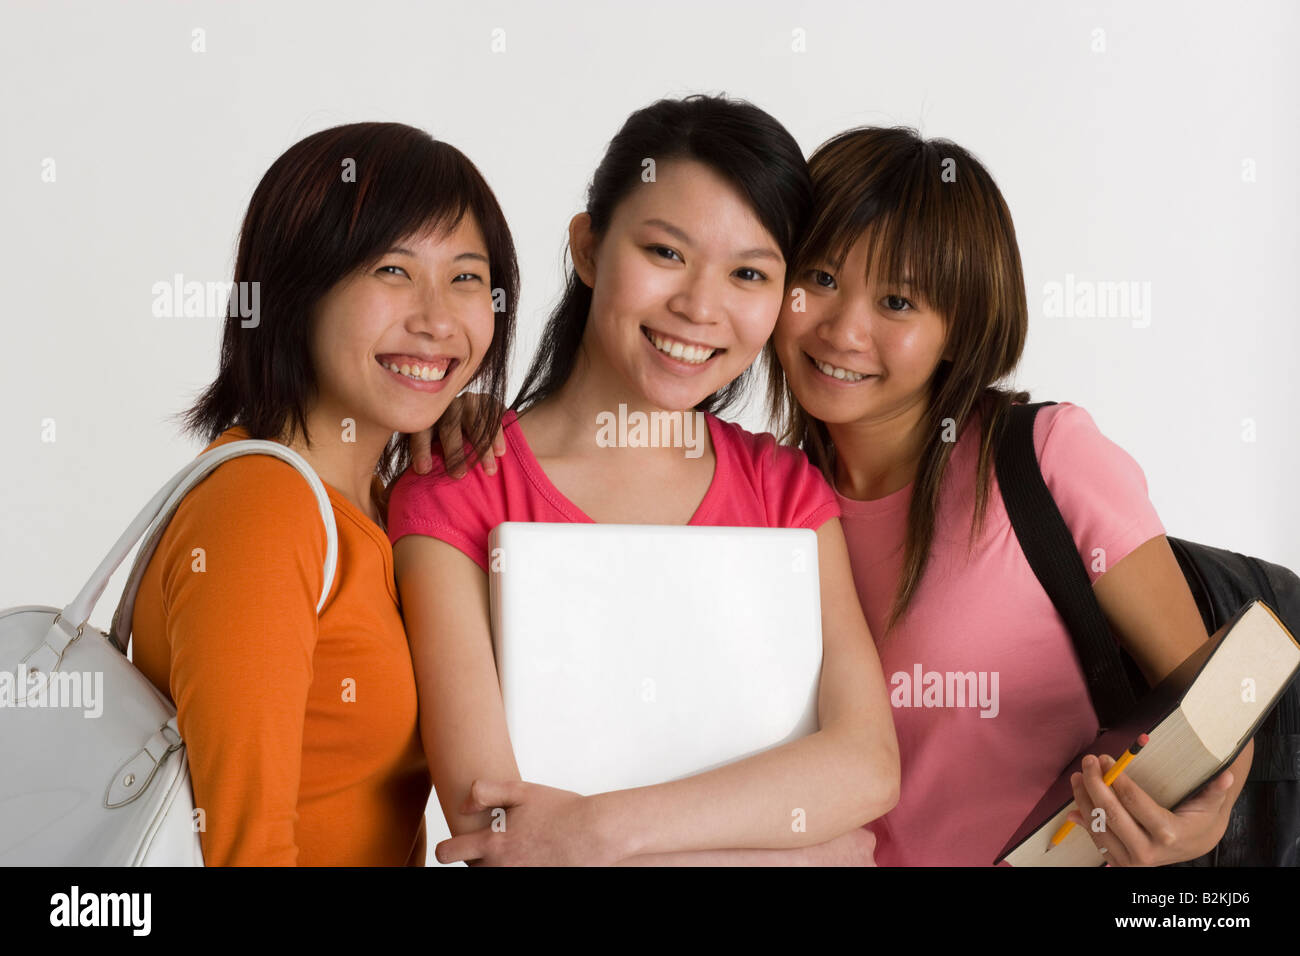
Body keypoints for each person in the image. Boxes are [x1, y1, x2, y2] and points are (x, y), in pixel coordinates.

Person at [391, 95, 898, 866]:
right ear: (590, 250)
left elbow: (865, 766)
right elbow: (495, 829)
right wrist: (799, 856)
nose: (700, 306)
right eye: (665, 253)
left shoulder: (784, 491)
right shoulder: (456, 487)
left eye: (749, 273)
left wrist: (596, 833)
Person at [765, 125, 1253, 866]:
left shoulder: (1044, 457)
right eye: (822, 279)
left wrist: (1204, 823)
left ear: (957, 329)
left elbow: (1214, 693)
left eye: (897, 301)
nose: (843, 330)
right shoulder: (768, 500)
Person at [131, 122, 519, 865]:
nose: (437, 319)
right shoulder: (265, 509)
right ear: (294, 290)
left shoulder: (382, 503)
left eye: (466, 277)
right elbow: (248, 853)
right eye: (392, 271)